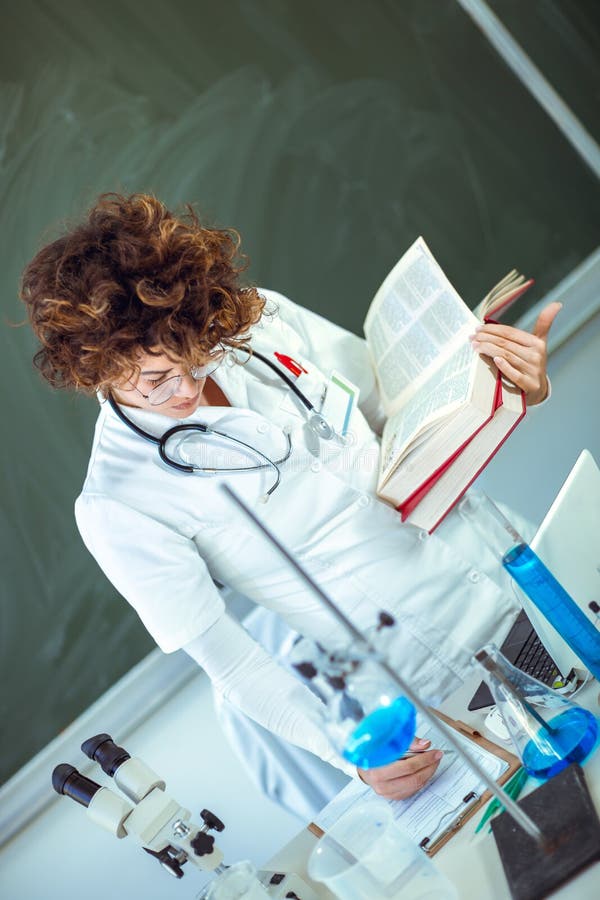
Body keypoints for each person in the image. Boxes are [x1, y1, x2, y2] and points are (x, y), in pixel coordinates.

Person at [21, 193, 560, 802]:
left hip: (518, 570)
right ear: (94, 368)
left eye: (201, 358)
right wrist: (350, 756)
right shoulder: (118, 503)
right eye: (156, 379)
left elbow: (396, 409)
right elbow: (234, 665)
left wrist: (513, 390)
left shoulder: (258, 319)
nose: (189, 388)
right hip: (442, 670)